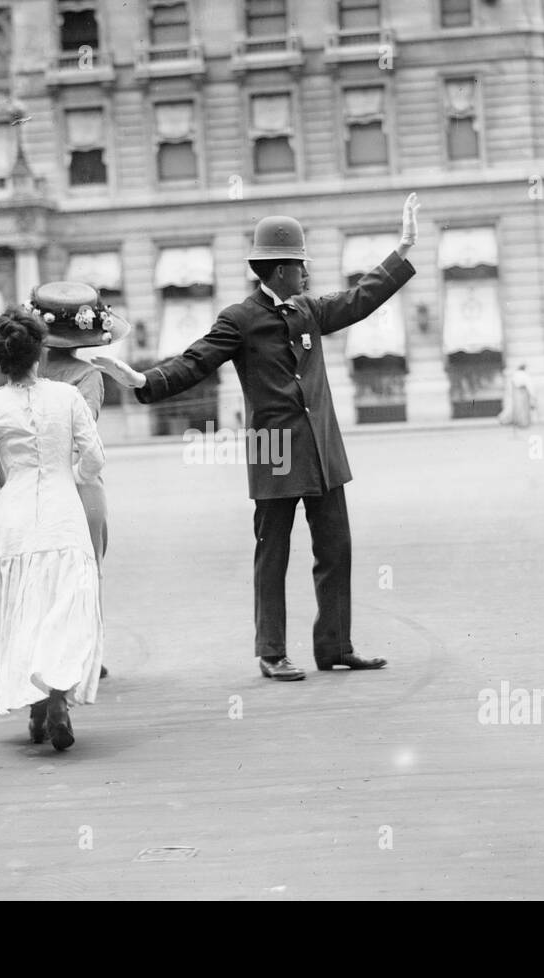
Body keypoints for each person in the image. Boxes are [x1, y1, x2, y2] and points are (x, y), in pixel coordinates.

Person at [93, 194, 420, 682]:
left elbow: (359, 300)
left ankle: (334, 646)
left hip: (323, 450)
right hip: (277, 453)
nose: (307, 273)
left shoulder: (309, 310)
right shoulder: (239, 319)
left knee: (337, 549)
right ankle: (271, 652)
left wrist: (403, 249)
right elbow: (195, 360)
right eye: (301, 265)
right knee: (274, 553)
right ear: (279, 269)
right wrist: (145, 382)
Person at [0, 306, 106, 751]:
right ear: (39, 353)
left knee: (23, 605)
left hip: (14, 519)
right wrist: (75, 475)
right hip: (64, 516)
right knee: (63, 604)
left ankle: (35, 702)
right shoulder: (67, 398)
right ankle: (59, 691)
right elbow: (95, 458)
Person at [35, 282, 132, 680]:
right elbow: (84, 436)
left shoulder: (31, 372)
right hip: (79, 482)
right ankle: (87, 650)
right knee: (88, 567)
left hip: (38, 482)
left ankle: (48, 653)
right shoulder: (88, 377)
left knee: (44, 573)